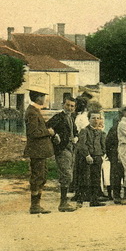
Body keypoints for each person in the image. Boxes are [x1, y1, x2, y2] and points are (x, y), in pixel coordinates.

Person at [24, 85, 55, 214]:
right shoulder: (32, 112)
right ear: (38, 98)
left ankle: (37, 204)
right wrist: (48, 131)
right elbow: (33, 132)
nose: (44, 99)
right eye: (43, 97)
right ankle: (35, 205)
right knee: (38, 176)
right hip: (37, 150)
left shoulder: (34, 111)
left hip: (40, 150)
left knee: (42, 175)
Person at [46, 97, 78, 212]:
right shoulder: (58, 117)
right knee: (66, 174)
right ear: (63, 105)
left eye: (72, 106)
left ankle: (64, 202)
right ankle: (63, 203)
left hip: (71, 148)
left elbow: (75, 131)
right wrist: (55, 135)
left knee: (69, 174)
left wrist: (76, 137)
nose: (70, 108)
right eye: (68, 105)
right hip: (62, 149)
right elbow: (47, 126)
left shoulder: (71, 118)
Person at [76, 112, 107, 207]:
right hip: (87, 158)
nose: (96, 120)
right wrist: (87, 155)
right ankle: (80, 200)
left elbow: (103, 145)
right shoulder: (84, 131)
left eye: (98, 118)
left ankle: (94, 200)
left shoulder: (101, 132)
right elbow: (82, 144)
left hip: (97, 157)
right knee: (85, 178)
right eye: (93, 118)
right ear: (89, 119)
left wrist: (102, 154)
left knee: (96, 179)